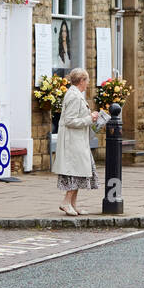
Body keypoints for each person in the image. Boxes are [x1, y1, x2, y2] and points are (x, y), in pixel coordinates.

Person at [54, 67, 99, 215]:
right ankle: (66, 202)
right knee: (75, 172)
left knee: (80, 171)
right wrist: (89, 119)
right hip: (73, 142)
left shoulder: (76, 94)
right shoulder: (73, 96)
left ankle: (73, 204)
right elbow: (70, 120)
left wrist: (90, 116)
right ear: (81, 81)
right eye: (87, 80)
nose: (88, 83)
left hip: (78, 141)